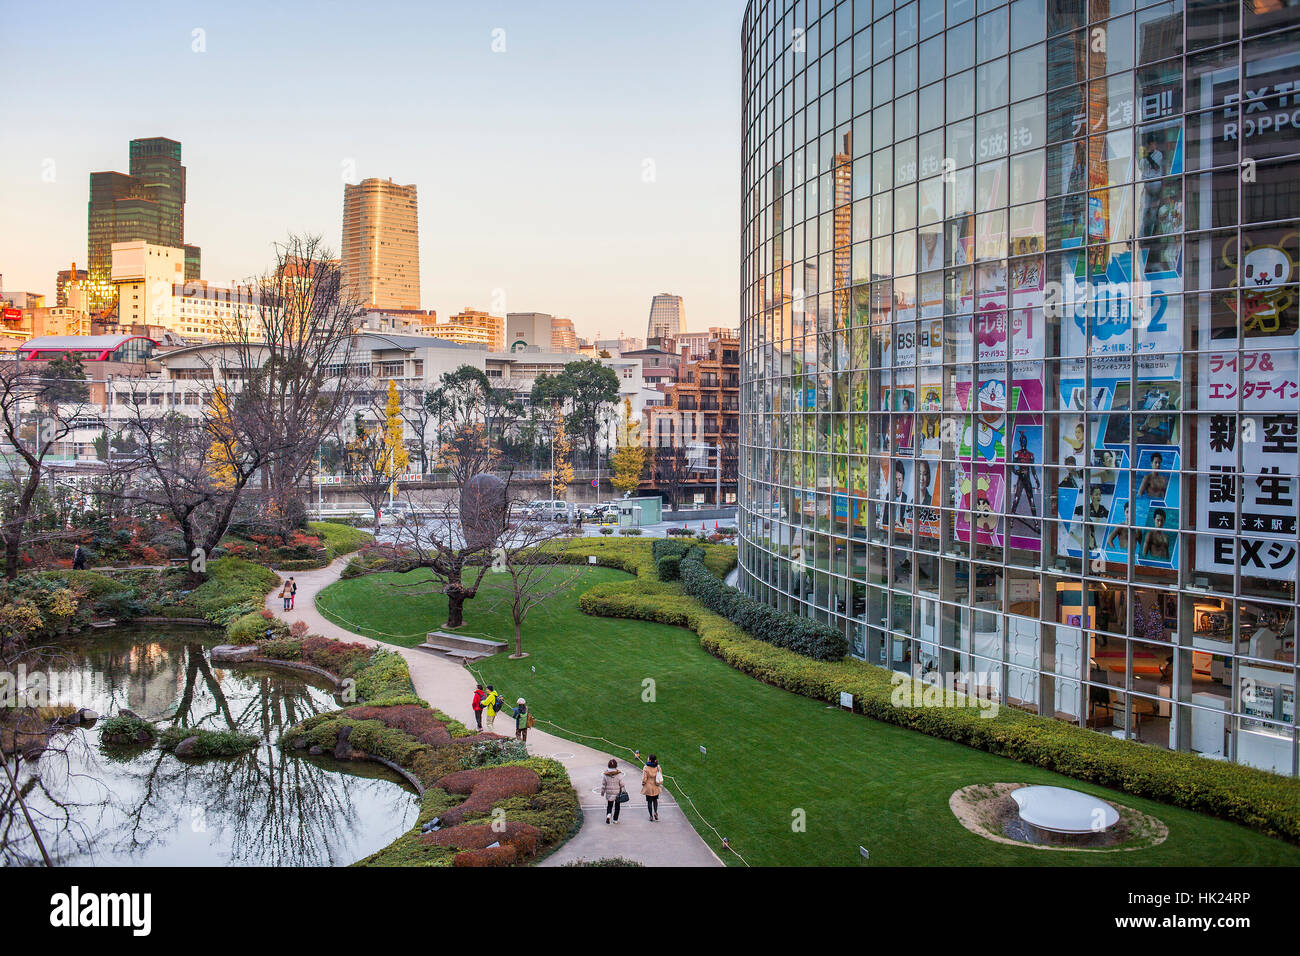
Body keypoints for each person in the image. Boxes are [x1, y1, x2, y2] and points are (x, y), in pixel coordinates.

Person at [600, 759, 625, 824]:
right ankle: (615, 819)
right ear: (616, 765)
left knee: (609, 805)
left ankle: (608, 815)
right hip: (617, 793)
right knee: (617, 806)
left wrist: (602, 792)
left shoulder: (605, 774)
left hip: (609, 793)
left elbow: (603, 785)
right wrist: (623, 790)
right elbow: (622, 784)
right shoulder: (619, 774)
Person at [641, 754, 663, 822]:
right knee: (655, 800)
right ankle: (655, 812)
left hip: (648, 786)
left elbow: (644, 778)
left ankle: (651, 816)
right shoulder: (658, 767)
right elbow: (660, 775)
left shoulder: (646, 767)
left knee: (649, 801)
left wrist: (643, 783)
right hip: (656, 785)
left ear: (650, 759)